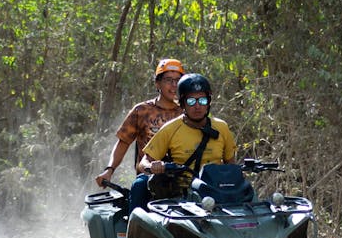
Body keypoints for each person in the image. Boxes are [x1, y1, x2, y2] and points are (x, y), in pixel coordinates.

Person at [132, 73, 237, 208]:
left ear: (209, 102)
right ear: (182, 103)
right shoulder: (170, 129)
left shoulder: (221, 127)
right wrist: (152, 166)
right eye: (191, 101)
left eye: (202, 100)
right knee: (140, 184)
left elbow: (231, 166)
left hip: (217, 191)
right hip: (181, 195)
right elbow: (143, 163)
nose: (197, 106)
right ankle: (133, 227)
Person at [94, 58, 185, 188]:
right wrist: (109, 170)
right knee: (138, 187)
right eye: (168, 80)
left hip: (182, 177)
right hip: (148, 178)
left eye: (177, 80)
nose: (174, 85)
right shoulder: (142, 111)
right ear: (157, 83)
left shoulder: (187, 112)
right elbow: (123, 142)